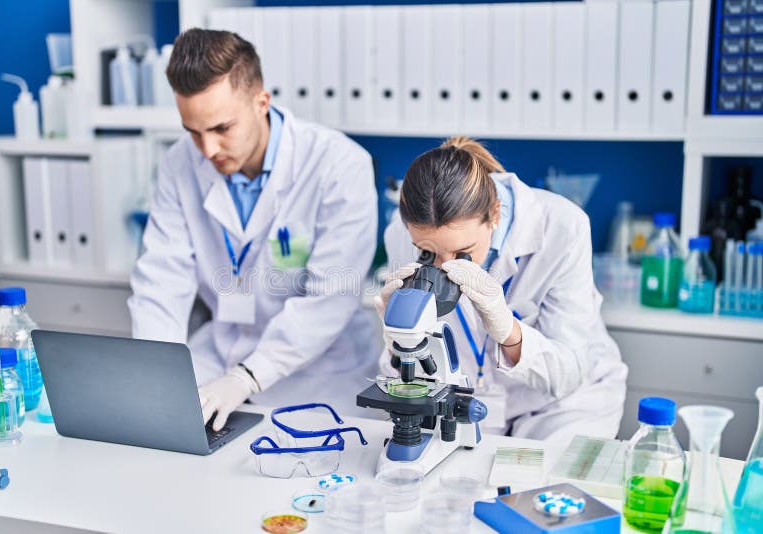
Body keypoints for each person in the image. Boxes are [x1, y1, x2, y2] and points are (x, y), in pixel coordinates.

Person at [129, 29, 379, 429]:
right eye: (193, 131)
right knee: (153, 429)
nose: (207, 149)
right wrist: (158, 373)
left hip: (320, 370)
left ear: (261, 102)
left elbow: (328, 300)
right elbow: (161, 278)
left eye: (221, 128)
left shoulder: (339, 165)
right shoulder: (180, 164)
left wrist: (247, 377)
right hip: (222, 352)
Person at [376, 137, 628, 443]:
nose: (444, 268)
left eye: (463, 251)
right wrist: (397, 336)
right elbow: (407, 378)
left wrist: (509, 330)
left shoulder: (562, 227)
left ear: (494, 214)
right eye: (426, 253)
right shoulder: (400, 236)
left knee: (539, 487)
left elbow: (568, 372)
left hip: (561, 406)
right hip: (467, 402)